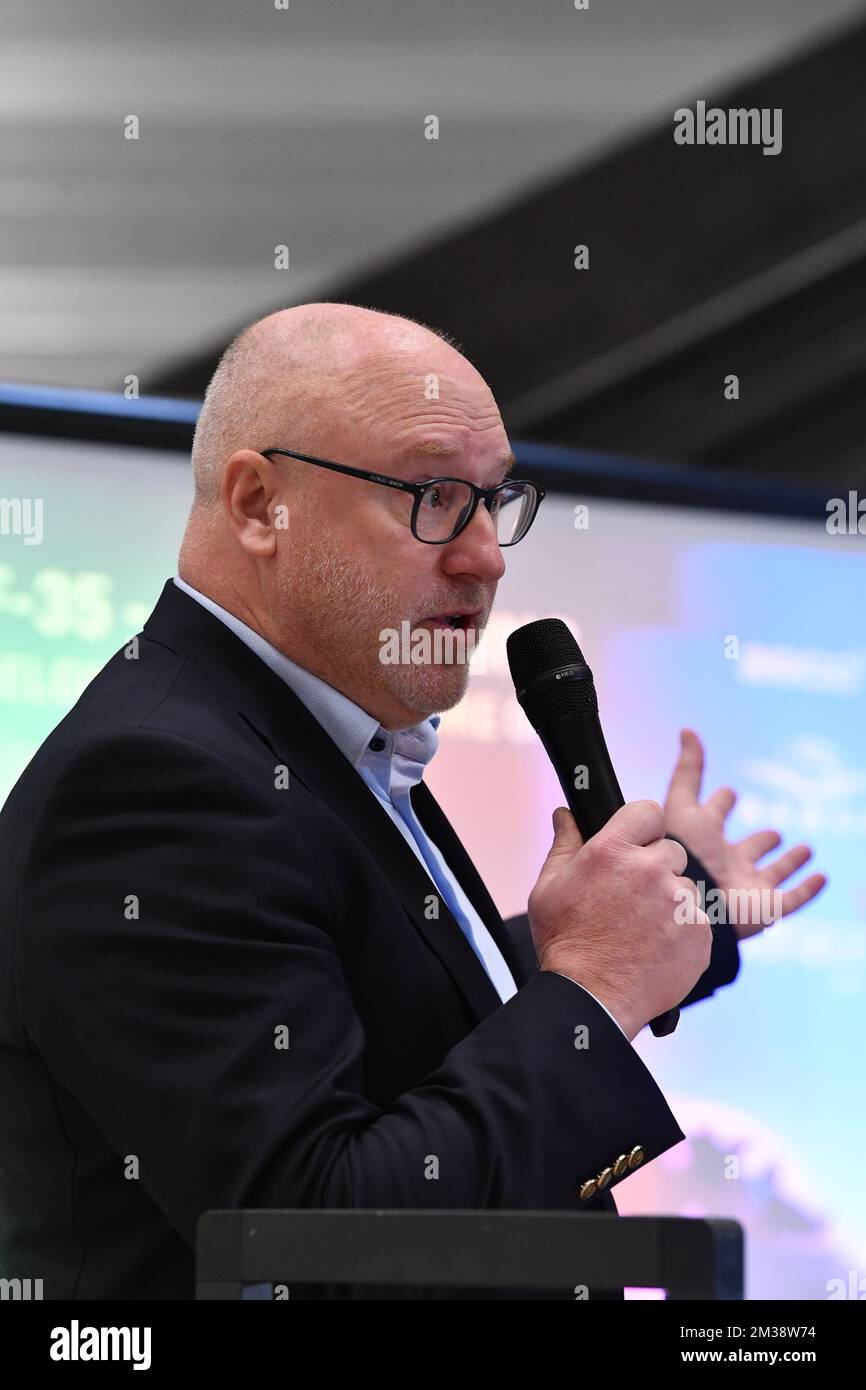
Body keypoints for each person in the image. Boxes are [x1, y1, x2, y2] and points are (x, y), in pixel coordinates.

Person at [0, 303, 825, 1300]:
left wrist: (665, 926)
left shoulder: (314, 734)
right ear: (261, 504)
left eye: (492, 498)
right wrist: (594, 992)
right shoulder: (151, 783)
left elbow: (388, 1020)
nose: (485, 554)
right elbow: (309, 1243)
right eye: (433, 495)